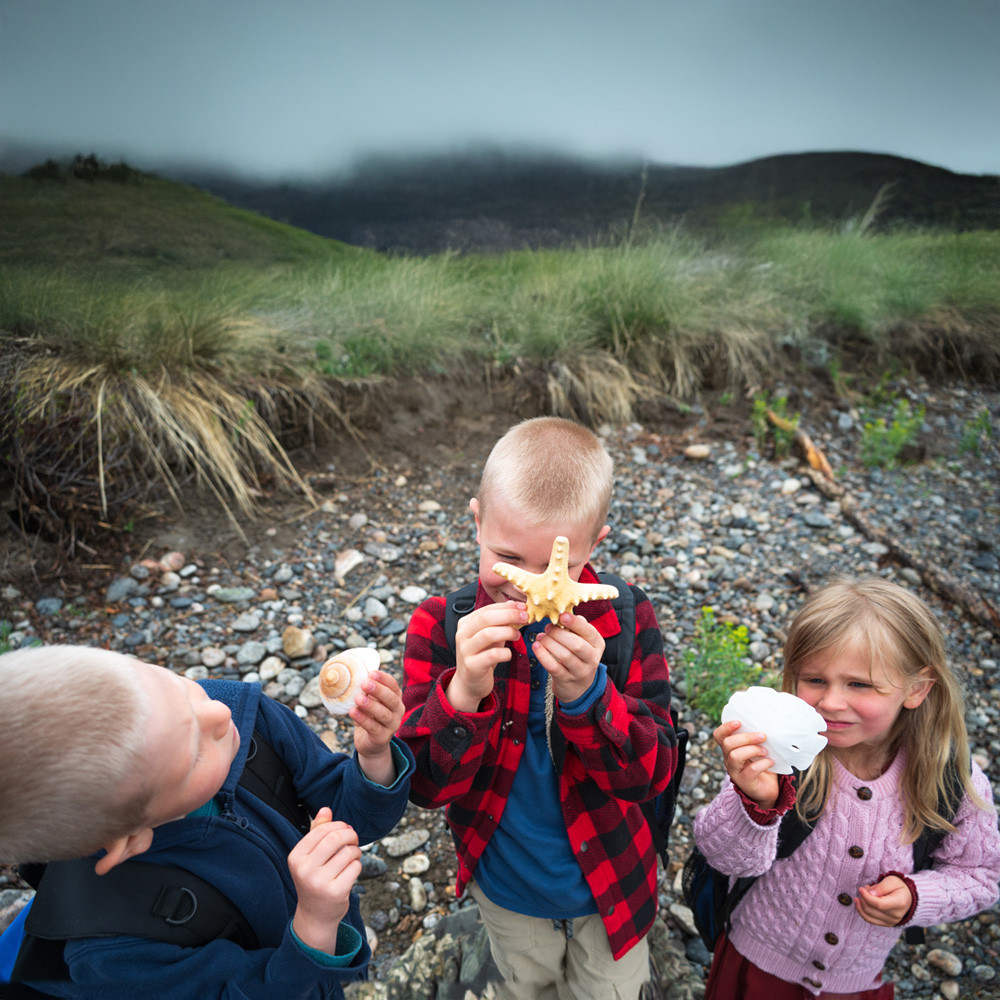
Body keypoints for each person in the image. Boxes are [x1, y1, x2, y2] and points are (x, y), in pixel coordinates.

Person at [398, 416, 679, 1000]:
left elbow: (653, 774)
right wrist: (464, 692)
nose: (530, 587)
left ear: (593, 545)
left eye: (557, 566)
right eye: (506, 558)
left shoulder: (625, 619)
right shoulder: (441, 627)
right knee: (521, 981)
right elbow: (423, 786)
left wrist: (589, 696)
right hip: (507, 887)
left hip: (615, 885)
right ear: (476, 522)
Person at [0, 643, 414, 1000]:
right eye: (194, 750)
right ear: (127, 840)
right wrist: (315, 927)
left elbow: (353, 815)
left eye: (178, 684)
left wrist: (374, 756)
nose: (217, 713)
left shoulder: (235, 717)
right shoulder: (116, 955)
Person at [693, 578, 1000, 1000]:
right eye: (814, 679)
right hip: (755, 965)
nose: (831, 702)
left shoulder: (950, 779)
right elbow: (722, 855)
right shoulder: (781, 757)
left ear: (917, 688)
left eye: (860, 684)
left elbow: (982, 875)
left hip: (853, 983)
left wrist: (917, 897)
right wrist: (757, 803)